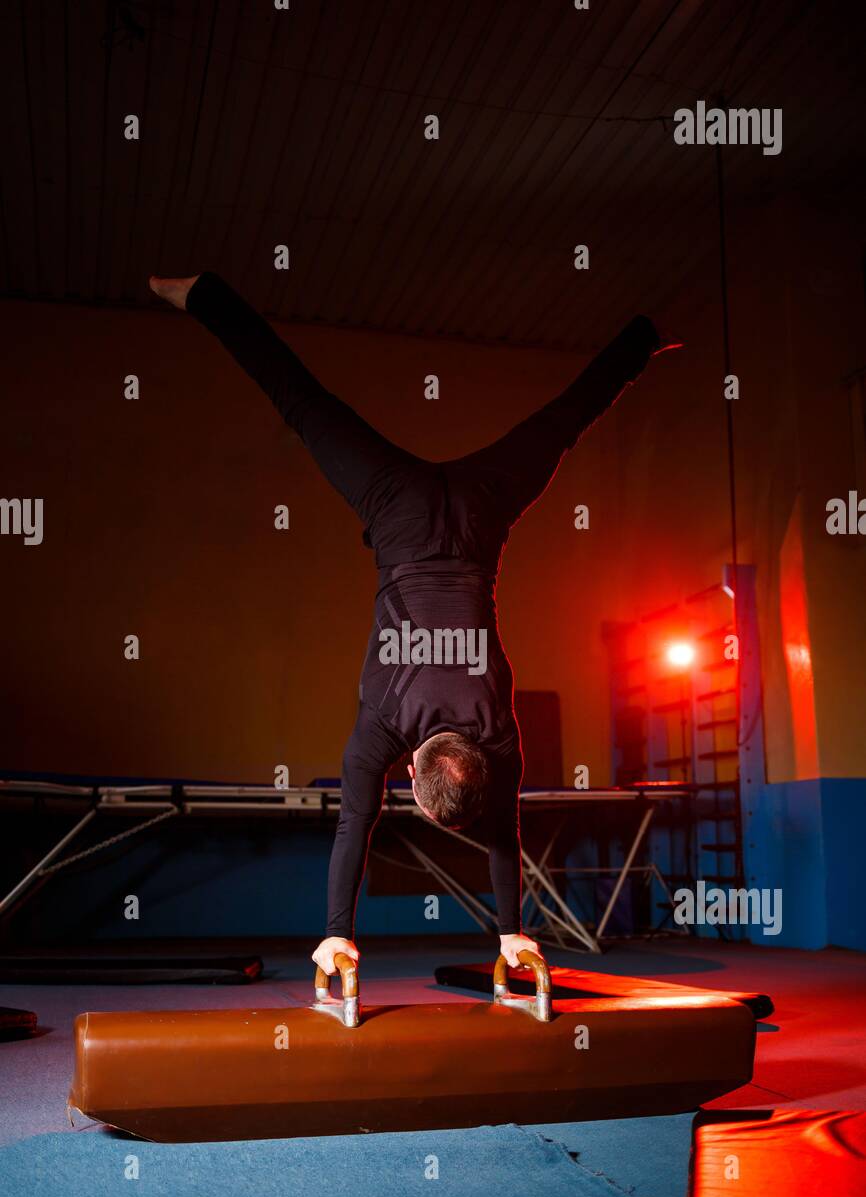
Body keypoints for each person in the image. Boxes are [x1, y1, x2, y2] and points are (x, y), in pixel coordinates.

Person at [149, 272, 677, 977]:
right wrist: (338, 931)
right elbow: (356, 827)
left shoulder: (498, 736)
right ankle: (206, 297)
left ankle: (641, 340)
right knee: (303, 406)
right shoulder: (381, 726)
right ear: (415, 790)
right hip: (395, 509)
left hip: (477, 514)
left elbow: (502, 833)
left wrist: (509, 931)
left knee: (560, 423)